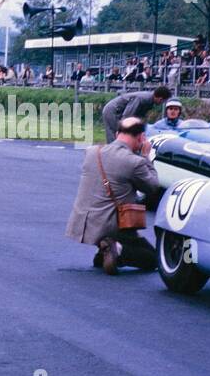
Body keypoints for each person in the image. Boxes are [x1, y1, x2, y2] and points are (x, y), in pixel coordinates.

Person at [66, 117, 160, 274]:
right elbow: (153, 186)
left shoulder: (91, 152)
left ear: (117, 133)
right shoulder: (134, 162)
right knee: (153, 259)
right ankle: (117, 249)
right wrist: (146, 156)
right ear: (141, 137)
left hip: (84, 223)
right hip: (112, 225)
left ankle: (103, 251)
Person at [101, 85, 170, 142]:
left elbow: (140, 117)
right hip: (112, 111)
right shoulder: (142, 98)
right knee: (117, 137)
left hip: (118, 112)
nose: (162, 103)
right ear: (160, 99)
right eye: (163, 101)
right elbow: (127, 115)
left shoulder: (150, 100)